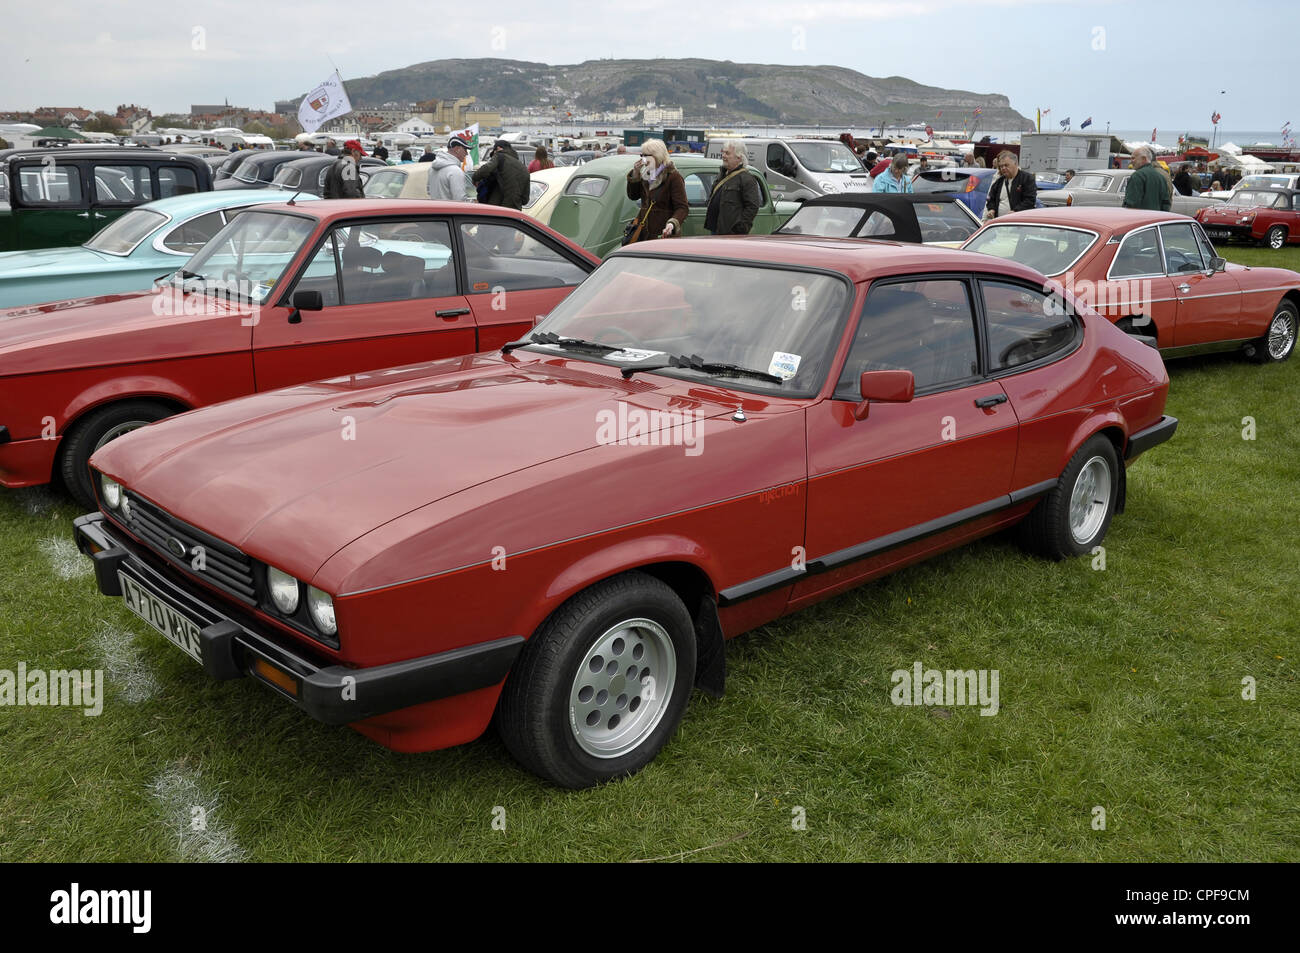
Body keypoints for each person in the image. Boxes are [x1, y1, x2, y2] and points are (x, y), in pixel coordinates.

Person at [625, 138, 688, 242]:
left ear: (657, 156)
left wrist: (672, 223)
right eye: (642, 155)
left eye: (646, 156)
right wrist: (635, 174)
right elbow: (633, 196)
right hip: (644, 234)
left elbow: (682, 207)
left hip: (663, 234)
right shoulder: (646, 174)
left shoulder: (673, 177)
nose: (643, 159)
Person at [704, 141, 760, 235]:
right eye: (723, 152)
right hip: (716, 229)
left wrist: (740, 229)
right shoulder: (722, 175)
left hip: (731, 233)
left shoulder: (747, 179)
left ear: (739, 157)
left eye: (727, 153)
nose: (723, 155)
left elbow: (752, 206)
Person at [472, 140, 530, 209]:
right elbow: (525, 200)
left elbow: (486, 169)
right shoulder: (524, 169)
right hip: (515, 213)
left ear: (498, 148)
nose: (492, 157)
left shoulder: (500, 156)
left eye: (493, 153)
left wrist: (474, 178)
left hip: (498, 210)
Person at [984, 150, 1036, 219]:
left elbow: (1030, 200)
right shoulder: (999, 181)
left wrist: (1015, 211)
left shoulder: (1027, 179)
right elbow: (991, 199)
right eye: (1001, 166)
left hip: (1019, 222)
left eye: (1006, 165)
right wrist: (992, 209)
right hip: (1000, 222)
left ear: (1015, 164)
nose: (1003, 168)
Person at [1124, 146, 1172, 211]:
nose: (1131, 161)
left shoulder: (1137, 176)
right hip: (1156, 219)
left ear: (1144, 159)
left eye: (1133, 158)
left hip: (1140, 219)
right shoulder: (1160, 177)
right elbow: (1166, 203)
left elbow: (1131, 203)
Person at [427, 135, 474, 201]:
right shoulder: (455, 171)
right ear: (457, 149)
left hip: (435, 209)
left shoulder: (431, 169)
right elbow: (460, 199)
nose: (466, 153)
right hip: (450, 210)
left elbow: (429, 191)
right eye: (465, 149)